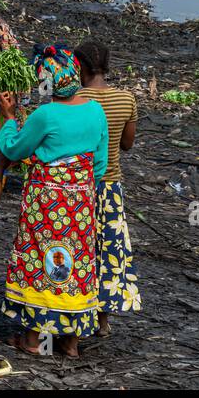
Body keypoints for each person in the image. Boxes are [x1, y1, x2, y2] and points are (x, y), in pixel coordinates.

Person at [0, 46, 109, 357]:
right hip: (82, 200)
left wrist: (8, 118)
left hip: (46, 203)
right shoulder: (96, 111)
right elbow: (99, 164)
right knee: (77, 261)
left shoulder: (45, 115)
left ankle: (33, 340)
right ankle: (70, 342)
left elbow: (14, 149)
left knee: (39, 258)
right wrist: (79, 188)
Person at [76, 40, 141, 333]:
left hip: (80, 185)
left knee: (81, 249)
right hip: (111, 187)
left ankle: (77, 314)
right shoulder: (126, 99)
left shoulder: (75, 99)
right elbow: (127, 144)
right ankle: (103, 321)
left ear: (80, 66)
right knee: (109, 252)